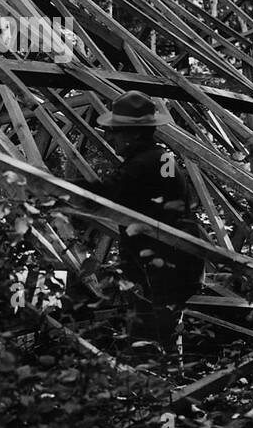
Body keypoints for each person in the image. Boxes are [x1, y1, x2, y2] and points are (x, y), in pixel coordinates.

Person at [81, 90, 204, 342]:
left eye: (115, 131)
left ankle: (156, 378)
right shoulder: (163, 157)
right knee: (165, 330)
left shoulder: (142, 165)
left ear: (133, 133)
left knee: (147, 334)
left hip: (161, 267)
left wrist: (50, 185)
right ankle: (171, 376)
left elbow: (102, 194)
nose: (109, 137)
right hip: (180, 262)